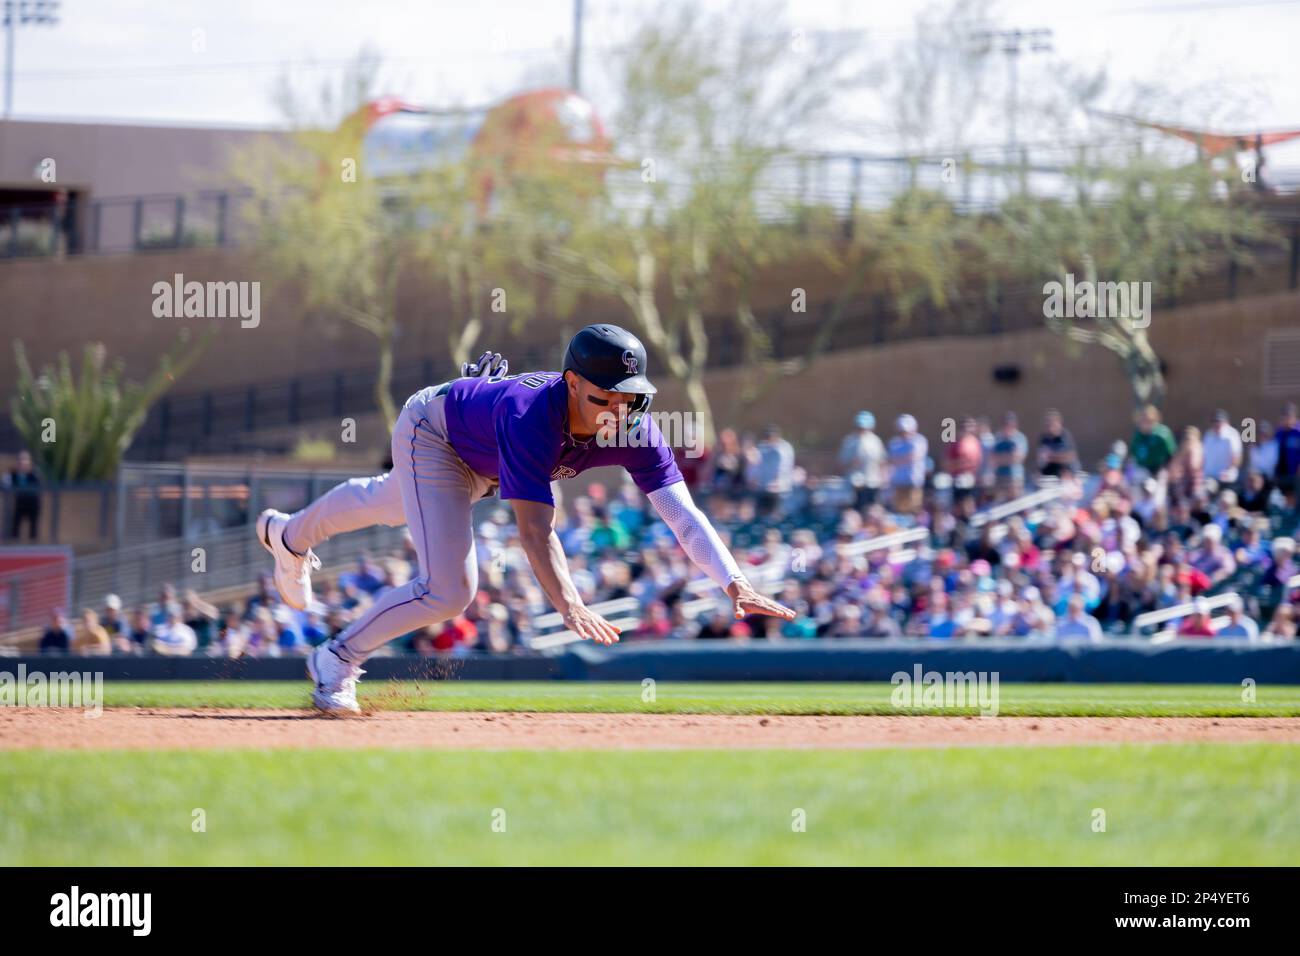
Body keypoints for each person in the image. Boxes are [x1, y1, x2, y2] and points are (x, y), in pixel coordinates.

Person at [257, 327, 794, 713]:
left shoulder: (634, 430)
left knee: (386, 502)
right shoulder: (533, 418)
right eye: (605, 397)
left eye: (631, 399)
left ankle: (285, 535)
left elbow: (682, 514)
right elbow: (536, 531)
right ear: (571, 383)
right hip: (436, 432)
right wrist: (569, 603)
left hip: (481, 453)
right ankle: (335, 660)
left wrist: (734, 580)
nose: (619, 412)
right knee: (449, 590)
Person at [838, 411, 886, 509]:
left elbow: (882, 461)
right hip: (854, 483)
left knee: (870, 508)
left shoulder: (875, 442)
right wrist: (851, 464)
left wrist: (883, 479)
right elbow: (842, 462)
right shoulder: (849, 441)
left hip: (872, 482)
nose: (862, 430)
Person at [887, 414, 928, 514]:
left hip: (914, 483)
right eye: (902, 431)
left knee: (914, 510)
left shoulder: (919, 441)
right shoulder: (894, 443)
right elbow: (891, 460)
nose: (904, 434)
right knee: (900, 511)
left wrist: (900, 460)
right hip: (898, 483)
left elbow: (913, 456)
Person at [1130, 405, 1177, 477]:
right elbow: (1133, 456)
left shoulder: (1162, 435)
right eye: (1143, 420)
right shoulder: (1137, 435)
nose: (1145, 424)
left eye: (1149, 421)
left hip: (1160, 469)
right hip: (1142, 470)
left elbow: (1172, 455)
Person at [4, 450, 41, 540]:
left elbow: (37, 487)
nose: (23, 462)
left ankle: (33, 548)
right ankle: (13, 545)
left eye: (25, 460)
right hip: (19, 504)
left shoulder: (34, 474)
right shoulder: (13, 474)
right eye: (20, 460)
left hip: (32, 505)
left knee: (33, 530)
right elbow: (5, 482)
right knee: (14, 528)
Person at [1201, 409, 1242, 487]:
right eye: (1215, 422)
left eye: (1220, 422)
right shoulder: (1208, 435)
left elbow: (1236, 457)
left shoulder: (1232, 435)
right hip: (1208, 477)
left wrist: (1229, 471)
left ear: (1226, 422)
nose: (1217, 424)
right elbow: (1203, 456)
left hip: (1225, 478)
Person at [1037, 409, 1078, 478]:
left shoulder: (1065, 436)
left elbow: (1070, 457)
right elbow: (1041, 459)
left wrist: (1051, 456)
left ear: (1059, 423)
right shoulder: (1044, 438)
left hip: (1066, 473)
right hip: (1050, 473)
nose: (1049, 427)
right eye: (1047, 424)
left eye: (1052, 423)